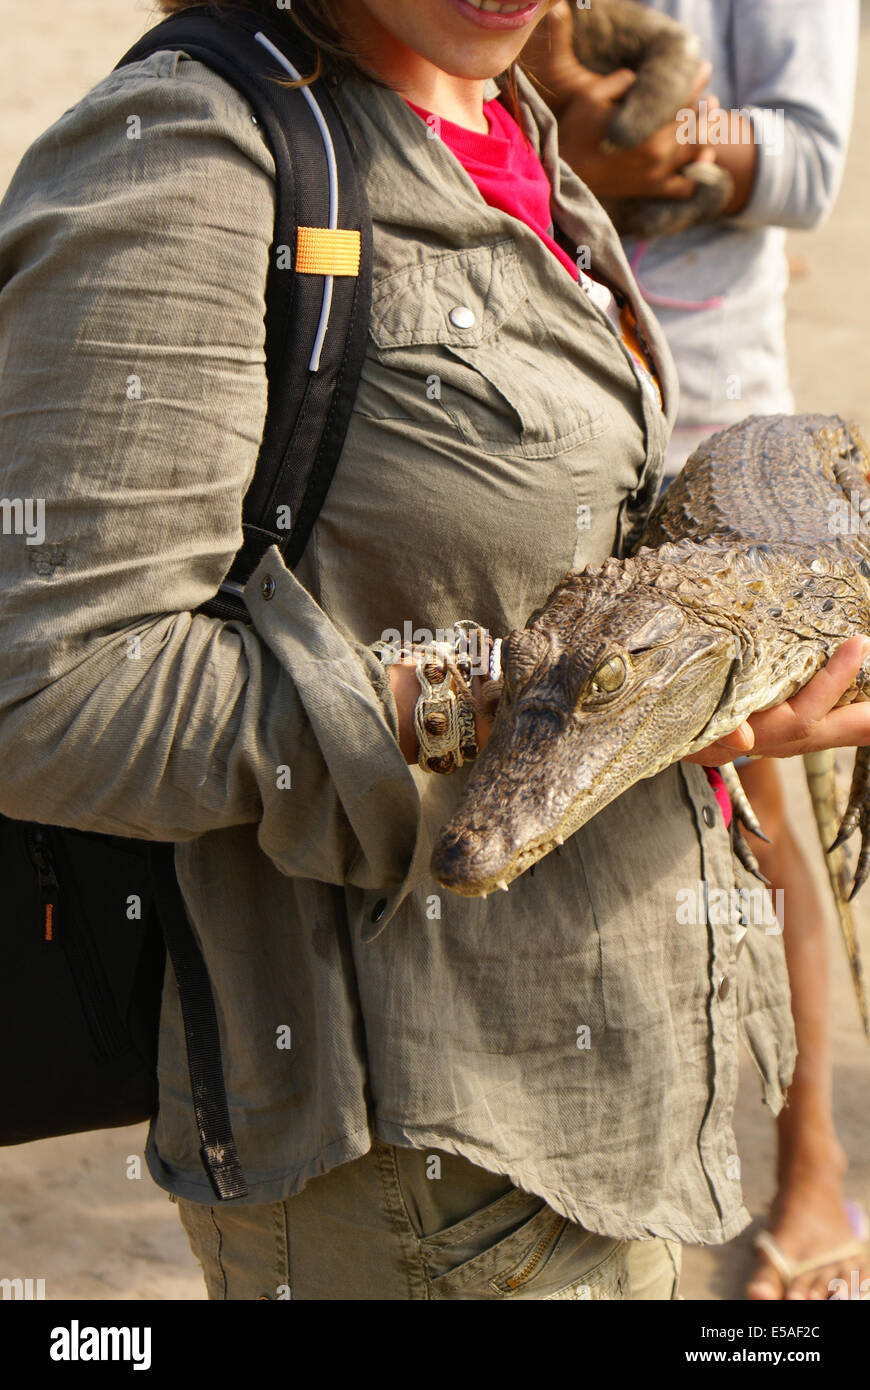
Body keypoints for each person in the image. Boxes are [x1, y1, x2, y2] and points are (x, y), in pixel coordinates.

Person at [1, 0, 868, 1301]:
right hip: (418, 1174)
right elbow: (48, 695)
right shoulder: (185, 159)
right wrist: (502, 711)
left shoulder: (500, 115)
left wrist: (720, 669)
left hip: (595, 1120)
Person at [524, 0, 868, 1301]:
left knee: (756, 781)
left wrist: (634, 160)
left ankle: (808, 1162)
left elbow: (806, 163)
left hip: (711, 420)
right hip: (539, 405)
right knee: (564, 732)